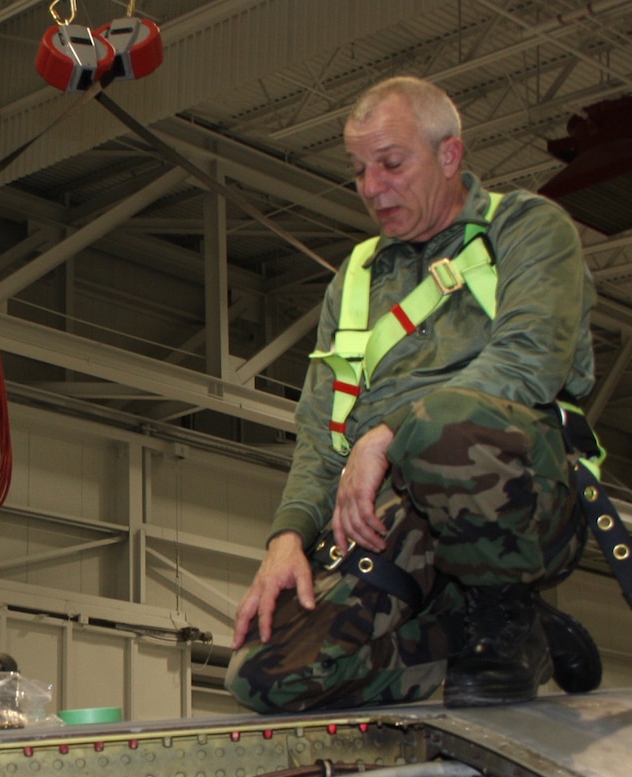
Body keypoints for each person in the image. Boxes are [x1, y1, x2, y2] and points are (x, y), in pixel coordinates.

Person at [227, 76, 604, 713]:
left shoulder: (528, 228)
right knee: (265, 678)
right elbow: (324, 431)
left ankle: (501, 610)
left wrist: (390, 432)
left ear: (449, 155)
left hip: (520, 497)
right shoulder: (356, 279)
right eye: (359, 170)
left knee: (446, 423)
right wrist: (287, 538)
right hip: (396, 516)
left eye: (392, 164)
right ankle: (475, 633)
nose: (373, 187)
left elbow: (531, 359)